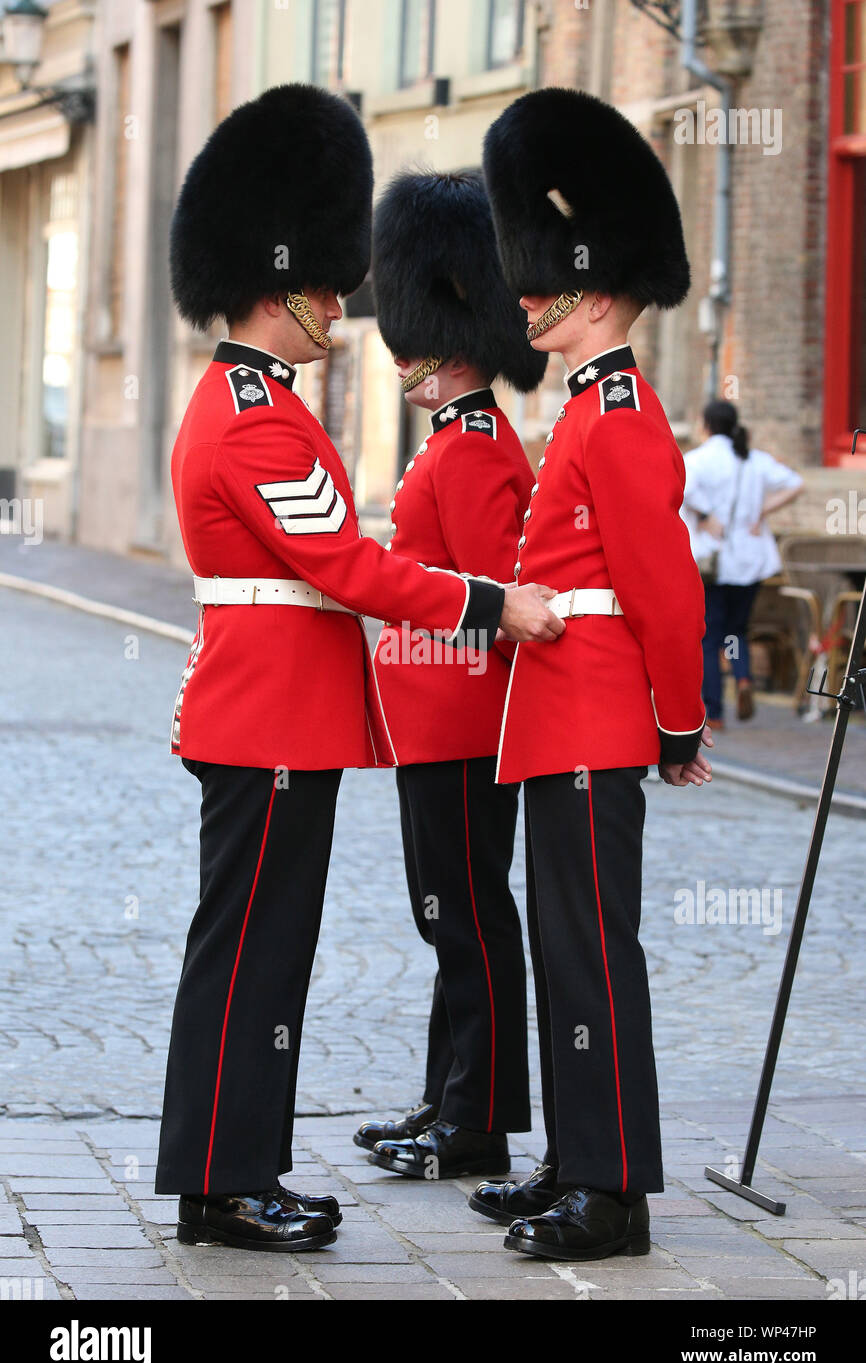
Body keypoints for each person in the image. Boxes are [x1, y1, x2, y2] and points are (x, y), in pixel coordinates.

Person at [153, 83, 563, 1254]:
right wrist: (495, 602)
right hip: (271, 717)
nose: (342, 304)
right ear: (282, 286)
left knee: (253, 950)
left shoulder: (250, 403)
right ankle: (230, 1184)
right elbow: (349, 568)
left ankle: (232, 1172)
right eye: (328, 284)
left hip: (271, 713)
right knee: (253, 956)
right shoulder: (258, 416)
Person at [475, 86, 713, 1261]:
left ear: (600, 286)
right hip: (558, 716)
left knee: (589, 953)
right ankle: (573, 1156)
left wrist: (676, 723)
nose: (525, 297)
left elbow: (662, 591)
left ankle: (612, 1189)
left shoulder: (617, 413)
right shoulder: (578, 410)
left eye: (545, 278)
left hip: (597, 719)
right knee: (562, 949)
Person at [352, 171, 547, 1180]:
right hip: (434, 722)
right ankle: (447, 1097)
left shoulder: (470, 450)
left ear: (453, 343)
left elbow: (490, 602)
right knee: (448, 916)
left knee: (466, 917)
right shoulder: (454, 442)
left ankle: (474, 1124)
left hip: (462, 723)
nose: (401, 360)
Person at [682, 400, 803, 729]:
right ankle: (743, 677)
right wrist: (762, 511)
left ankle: (716, 711)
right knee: (736, 632)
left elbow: (680, 489)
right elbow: (795, 483)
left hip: (712, 562)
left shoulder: (697, 460)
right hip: (750, 560)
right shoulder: (754, 460)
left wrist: (705, 515)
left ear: (706, 424)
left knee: (709, 635)